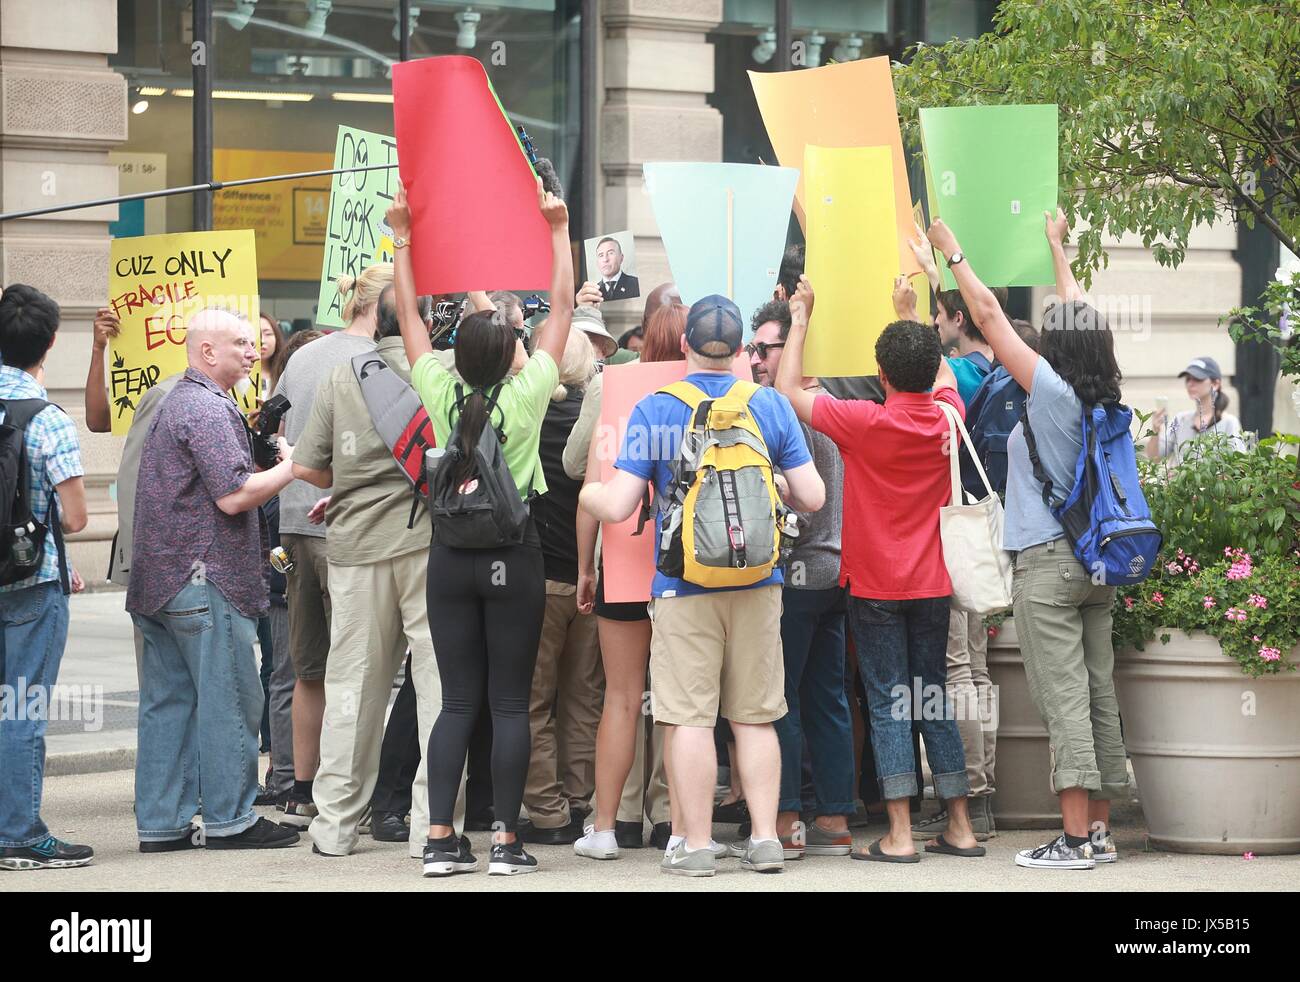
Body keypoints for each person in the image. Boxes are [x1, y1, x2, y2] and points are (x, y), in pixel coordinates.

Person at [580, 294, 825, 878]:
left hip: (683, 586)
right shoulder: (768, 406)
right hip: (760, 582)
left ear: (685, 345)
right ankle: (766, 839)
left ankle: (694, 847)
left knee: (688, 717)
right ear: (741, 350)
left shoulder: (655, 407)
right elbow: (813, 497)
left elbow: (616, 505)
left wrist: (588, 492)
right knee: (756, 716)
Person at [927, 209, 1127, 870]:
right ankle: (1098, 834)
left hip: (1049, 566)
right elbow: (1079, 317)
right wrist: (1057, 251)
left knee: (1063, 700)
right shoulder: (1102, 392)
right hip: (1097, 563)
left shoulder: (1050, 392)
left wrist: (954, 254)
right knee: (1097, 696)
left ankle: (1072, 843)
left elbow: (986, 315)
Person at [388, 175, 573, 877]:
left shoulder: (436, 388)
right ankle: (503, 839)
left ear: (456, 356)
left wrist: (403, 238)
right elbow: (559, 305)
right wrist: (556, 229)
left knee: (457, 699)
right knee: (509, 702)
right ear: (510, 355)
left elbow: (406, 315)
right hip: (514, 556)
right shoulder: (527, 397)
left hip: (450, 557)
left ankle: (439, 840)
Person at [777, 276, 983, 864]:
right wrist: (910, 310)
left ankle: (898, 833)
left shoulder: (864, 422)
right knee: (931, 696)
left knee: (891, 701)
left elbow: (789, 388)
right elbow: (942, 374)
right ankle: (961, 825)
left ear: (882, 376)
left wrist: (801, 316)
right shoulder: (947, 417)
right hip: (935, 582)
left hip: (873, 584)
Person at [127, 307, 299, 852]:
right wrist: (294, 466)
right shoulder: (204, 407)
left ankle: (163, 825)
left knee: (168, 704)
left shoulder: (182, 400)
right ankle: (231, 819)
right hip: (205, 580)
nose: (252, 352)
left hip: (161, 580)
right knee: (229, 698)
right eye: (241, 344)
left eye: (252, 343)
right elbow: (233, 495)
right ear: (207, 352)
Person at [291, 285, 450, 858]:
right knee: (435, 687)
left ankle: (334, 828)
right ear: (421, 320)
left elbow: (308, 467)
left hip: (356, 545)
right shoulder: (440, 372)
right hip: (429, 545)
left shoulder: (342, 374)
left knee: (353, 688)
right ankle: (429, 831)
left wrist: (350, 479)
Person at [273, 264, 393, 828]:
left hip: (295, 517)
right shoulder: (375, 361)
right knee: (357, 668)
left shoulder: (301, 356)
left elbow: (280, 432)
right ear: (385, 305)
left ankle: (301, 790)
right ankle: (350, 797)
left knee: (309, 665)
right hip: (350, 519)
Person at [566, 298, 686, 856]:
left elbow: (585, 478)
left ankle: (609, 828)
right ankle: (681, 828)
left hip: (621, 560)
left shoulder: (613, 387)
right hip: (689, 568)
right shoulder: (711, 390)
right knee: (682, 701)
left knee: (620, 697)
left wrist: (584, 567)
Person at [746, 299, 855, 858]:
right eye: (752, 348)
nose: (755, 359)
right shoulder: (830, 406)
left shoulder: (787, 411)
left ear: (792, 347)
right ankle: (834, 818)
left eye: (764, 349)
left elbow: (801, 507)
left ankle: (786, 818)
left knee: (779, 699)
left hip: (798, 572)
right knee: (826, 697)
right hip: (834, 573)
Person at [0, 285, 92, 871]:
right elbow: (78, 516)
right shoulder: (47, 421)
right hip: (32, 583)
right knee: (20, 708)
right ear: (51, 344)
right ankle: (20, 834)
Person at [517, 326, 603, 845]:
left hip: (540, 578)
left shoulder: (526, 414)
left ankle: (546, 810)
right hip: (593, 579)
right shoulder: (601, 418)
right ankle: (581, 798)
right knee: (585, 698)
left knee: (533, 701)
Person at [83, 307, 181, 683]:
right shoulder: (149, 396)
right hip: (154, 551)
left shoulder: (230, 394)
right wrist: (98, 349)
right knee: (158, 681)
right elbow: (97, 419)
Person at [1145, 356, 1247, 465]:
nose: (1190, 383)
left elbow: (1238, 466)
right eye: (1188, 379)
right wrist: (1156, 429)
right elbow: (1154, 458)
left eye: (1198, 378)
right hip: (1178, 482)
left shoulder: (1229, 422)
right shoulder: (1180, 419)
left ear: (1215, 384)